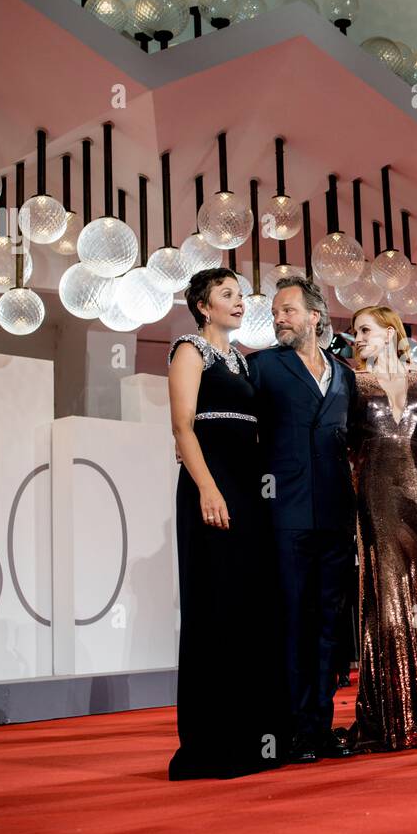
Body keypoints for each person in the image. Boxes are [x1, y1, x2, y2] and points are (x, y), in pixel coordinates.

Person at [167, 268, 276, 780]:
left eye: (241, 295)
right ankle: (209, 746)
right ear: (203, 306)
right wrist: (208, 488)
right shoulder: (189, 350)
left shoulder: (243, 362)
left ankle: (251, 739)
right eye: (227, 295)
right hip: (210, 491)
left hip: (250, 495)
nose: (239, 302)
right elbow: (182, 427)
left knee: (247, 608)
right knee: (213, 606)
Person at [247, 276, 358, 766]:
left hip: (336, 517)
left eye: (288, 310)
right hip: (283, 515)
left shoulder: (345, 374)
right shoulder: (260, 367)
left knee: (328, 627)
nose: (279, 318)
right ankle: (290, 730)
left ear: (315, 316)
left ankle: (320, 723)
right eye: (275, 312)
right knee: (291, 622)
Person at [345, 305, 417, 752]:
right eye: (354, 331)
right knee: (387, 601)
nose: (357, 337)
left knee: (410, 599)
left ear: (390, 333)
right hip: (376, 489)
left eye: (365, 330)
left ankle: (402, 713)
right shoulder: (353, 383)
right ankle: (398, 717)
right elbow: (341, 441)